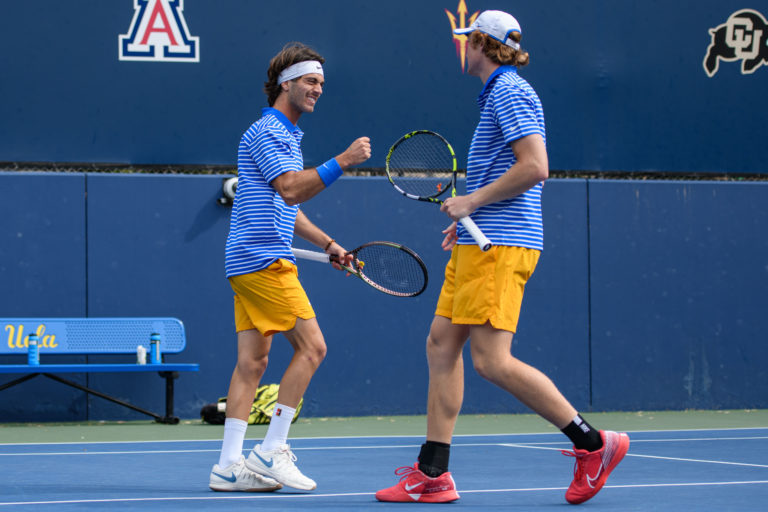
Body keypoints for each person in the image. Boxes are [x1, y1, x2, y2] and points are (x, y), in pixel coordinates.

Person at [375, 11, 629, 505]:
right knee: (440, 345)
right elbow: (509, 172)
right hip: (482, 241)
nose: (461, 48)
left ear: (482, 44)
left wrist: (471, 201)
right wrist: (468, 218)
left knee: (492, 362)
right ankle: (433, 474)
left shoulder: (510, 91)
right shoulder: (497, 93)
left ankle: (593, 444)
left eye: (466, 40)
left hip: (501, 246)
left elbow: (535, 166)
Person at [209, 42, 371, 493]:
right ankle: (271, 449)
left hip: (247, 260)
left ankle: (228, 465)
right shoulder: (270, 132)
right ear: (286, 84)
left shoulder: (286, 135)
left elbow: (285, 205)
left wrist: (329, 244)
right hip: (263, 261)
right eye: (310, 81)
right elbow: (291, 189)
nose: (318, 89)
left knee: (252, 363)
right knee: (313, 348)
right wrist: (343, 161)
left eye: (321, 83)